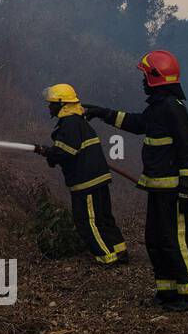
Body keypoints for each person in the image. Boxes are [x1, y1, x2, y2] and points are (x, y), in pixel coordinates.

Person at [84, 50, 188, 312]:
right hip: (158, 190)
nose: (142, 81)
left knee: (178, 242)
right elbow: (137, 123)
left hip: (174, 192)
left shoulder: (173, 109)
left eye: (144, 76)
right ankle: (168, 293)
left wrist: (187, 189)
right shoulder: (159, 108)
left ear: (155, 77)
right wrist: (101, 112)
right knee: (156, 240)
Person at [34, 84, 128, 266]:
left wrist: (47, 152)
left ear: (62, 104)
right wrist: (52, 153)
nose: (49, 107)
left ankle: (107, 257)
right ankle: (119, 251)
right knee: (104, 218)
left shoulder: (69, 123)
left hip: (86, 182)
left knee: (87, 221)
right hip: (97, 178)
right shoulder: (77, 120)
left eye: (51, 104)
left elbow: (65, 152)